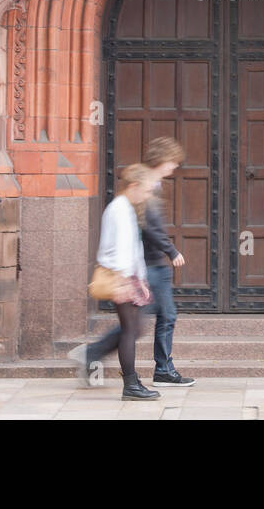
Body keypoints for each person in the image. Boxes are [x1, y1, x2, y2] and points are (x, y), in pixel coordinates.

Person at [81, 163, 160, 400]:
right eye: (146, 190)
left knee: (134, 329)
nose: (148, 196)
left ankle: (98, 356)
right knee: (129, 330)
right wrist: (125, 280)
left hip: (128, 276)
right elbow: (120, 248)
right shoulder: (119, 209)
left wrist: (140, 277)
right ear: (133, 186)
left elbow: (132, 248)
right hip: (121, 276)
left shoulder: (125, 208)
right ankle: (130, 385)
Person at [139, 137, 195, 386]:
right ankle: (162, 370)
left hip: (152, 260)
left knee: (159, 315)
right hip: (150, 262)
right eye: (173, 162)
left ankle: (163, 369)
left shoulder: (153, 183)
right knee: (158, 315)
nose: (175, 167)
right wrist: (171, 250)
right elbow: (150, 226)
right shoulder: (146, 184)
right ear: (161, 160)